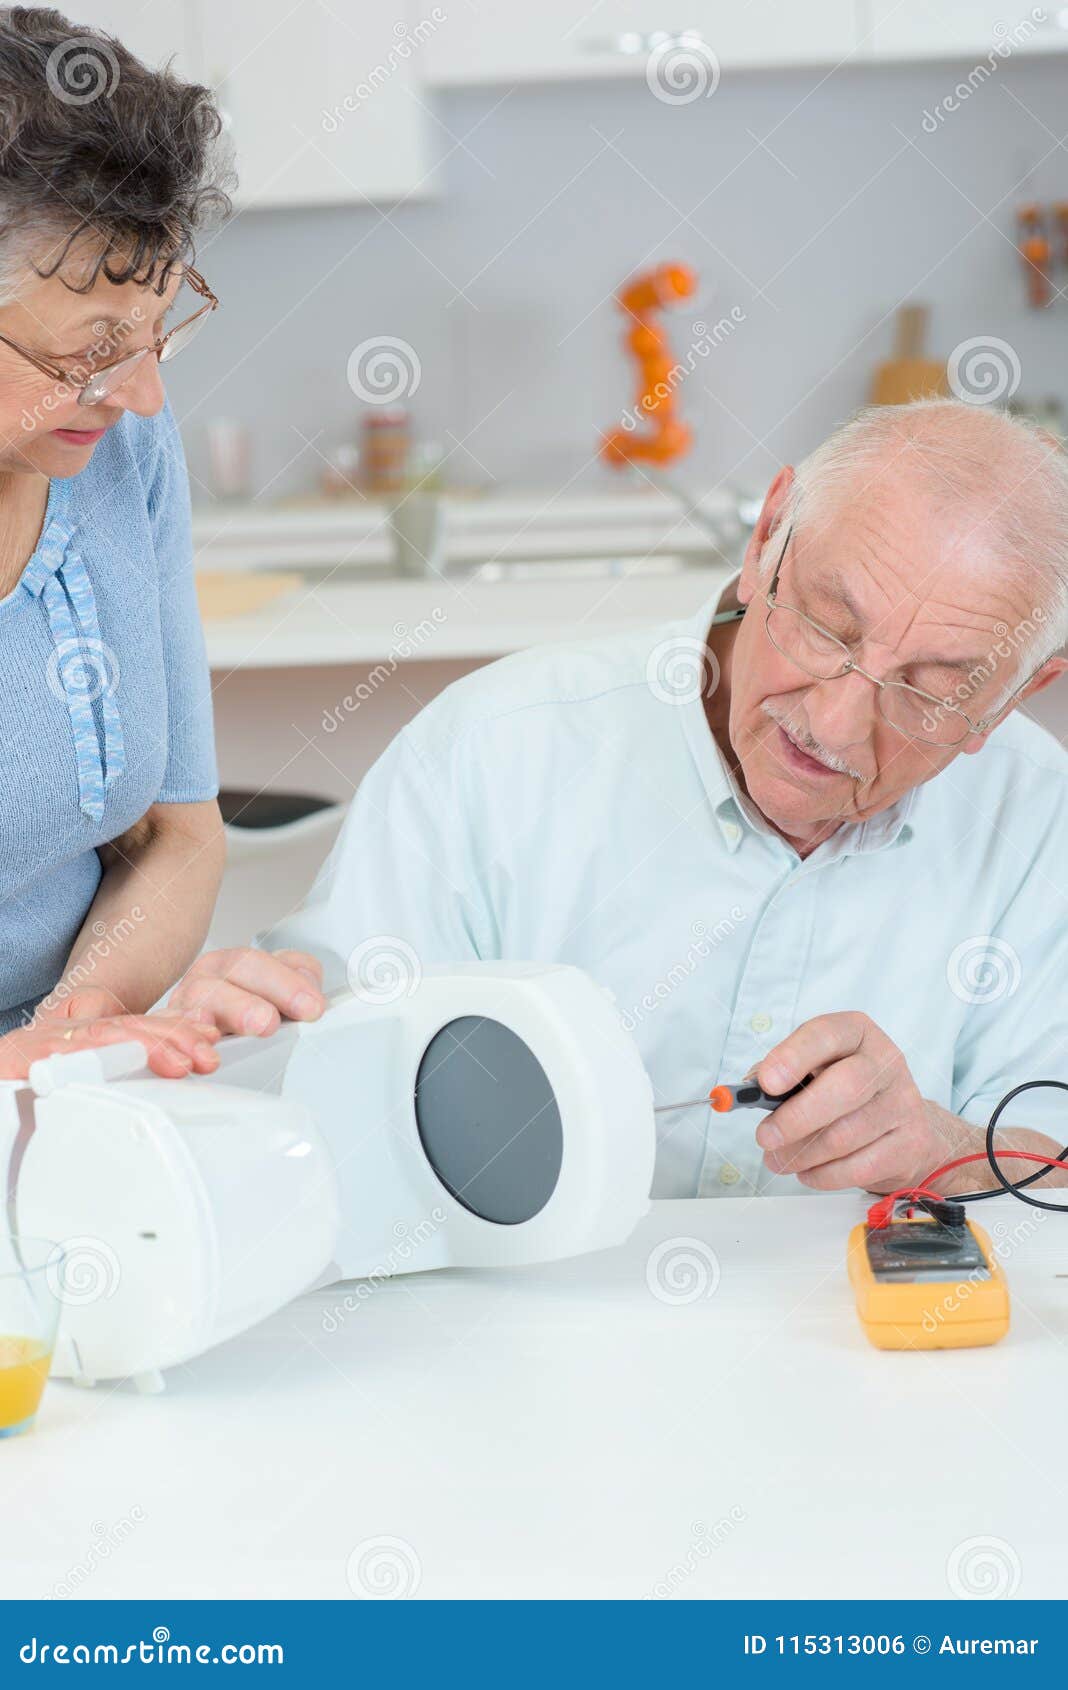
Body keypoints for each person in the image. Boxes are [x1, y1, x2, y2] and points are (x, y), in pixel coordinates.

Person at [170, 399, 1068, 1199]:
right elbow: (317, 1113)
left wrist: (937, 1150)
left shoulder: (1037, 814)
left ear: (1019, 694)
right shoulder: (501, 746)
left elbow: (1055, 1162)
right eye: (827, 626)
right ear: (766, 541)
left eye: (931, 692)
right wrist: (241, 1051)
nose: (835, 724)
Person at [0, 9, 246, 1078]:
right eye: (90, 352)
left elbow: (179, 838)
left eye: (156, 333)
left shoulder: (117, 447)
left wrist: (73, 1021)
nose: (140, 395)